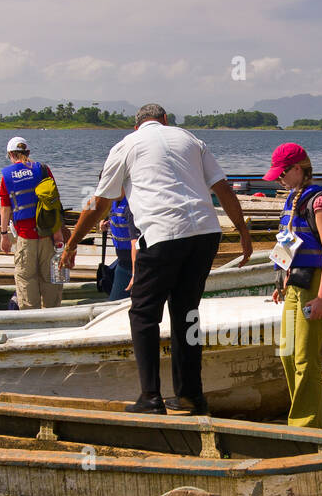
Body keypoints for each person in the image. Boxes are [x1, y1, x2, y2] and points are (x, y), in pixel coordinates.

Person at [60, 103, 253, 415]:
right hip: (205, 234)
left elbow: (99, 204)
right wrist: (243, 231)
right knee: (186, 312)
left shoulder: (126, 145)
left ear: (137, 126)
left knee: (144, 315)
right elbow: (223, 189)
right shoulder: (190, 139)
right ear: (165, 120)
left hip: (164, 234)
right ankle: (191, 394)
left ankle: (150, 398)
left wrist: (71, 244)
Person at [267, 143, 322, 428]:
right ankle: (320, 410)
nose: (279, 179)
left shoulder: (318, 202)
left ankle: (305, 425)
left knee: (305, 357)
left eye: (282, 173)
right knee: (287, 353)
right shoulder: (291, 199)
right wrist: (281, 280)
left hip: (314, 286)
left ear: (298, 168)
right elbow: (288, 243)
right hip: (295, 285)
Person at [0, 136, 65, 309]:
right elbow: (54, 202)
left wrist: (4, 235)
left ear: (11, 154)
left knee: (25, 279)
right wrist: (58, 233)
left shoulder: (7, 175)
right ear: (28, 152)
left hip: (25, 238)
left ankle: (31, 319)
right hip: (48, 235)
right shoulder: (42, 169)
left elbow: (5, 208)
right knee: (51, 279)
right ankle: (53, 317)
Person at [102, 196, 139, 301]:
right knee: (114, 302)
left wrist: (134, 273)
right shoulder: (112, 202)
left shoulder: (131, 205)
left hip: (135, 263)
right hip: (122, 263)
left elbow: (135, 243)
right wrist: (107, 224)